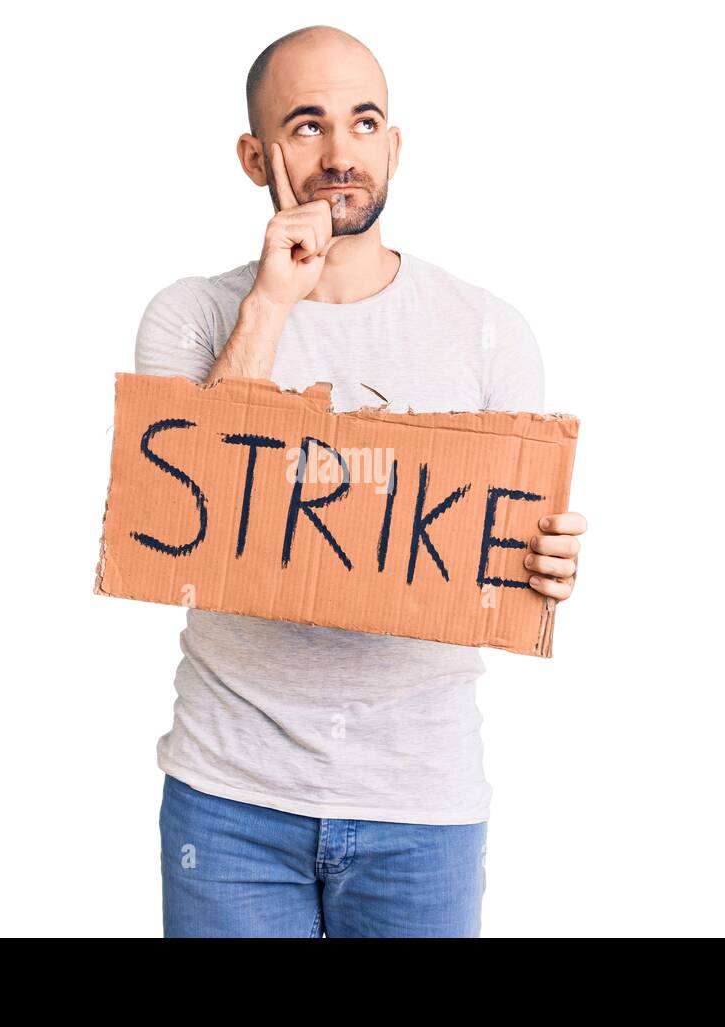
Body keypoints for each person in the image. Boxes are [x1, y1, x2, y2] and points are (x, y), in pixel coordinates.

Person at [135, 25, 587, 937]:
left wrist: (545, 567)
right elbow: (191, 511)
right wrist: (271, 304)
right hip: (230, 795)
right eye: (306, 127)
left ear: (394, 143)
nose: (340, 153)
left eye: (362, 121)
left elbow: (489, 564)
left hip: (422, 803)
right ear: (254, 155)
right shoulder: (192, 318)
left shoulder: (488, 332)